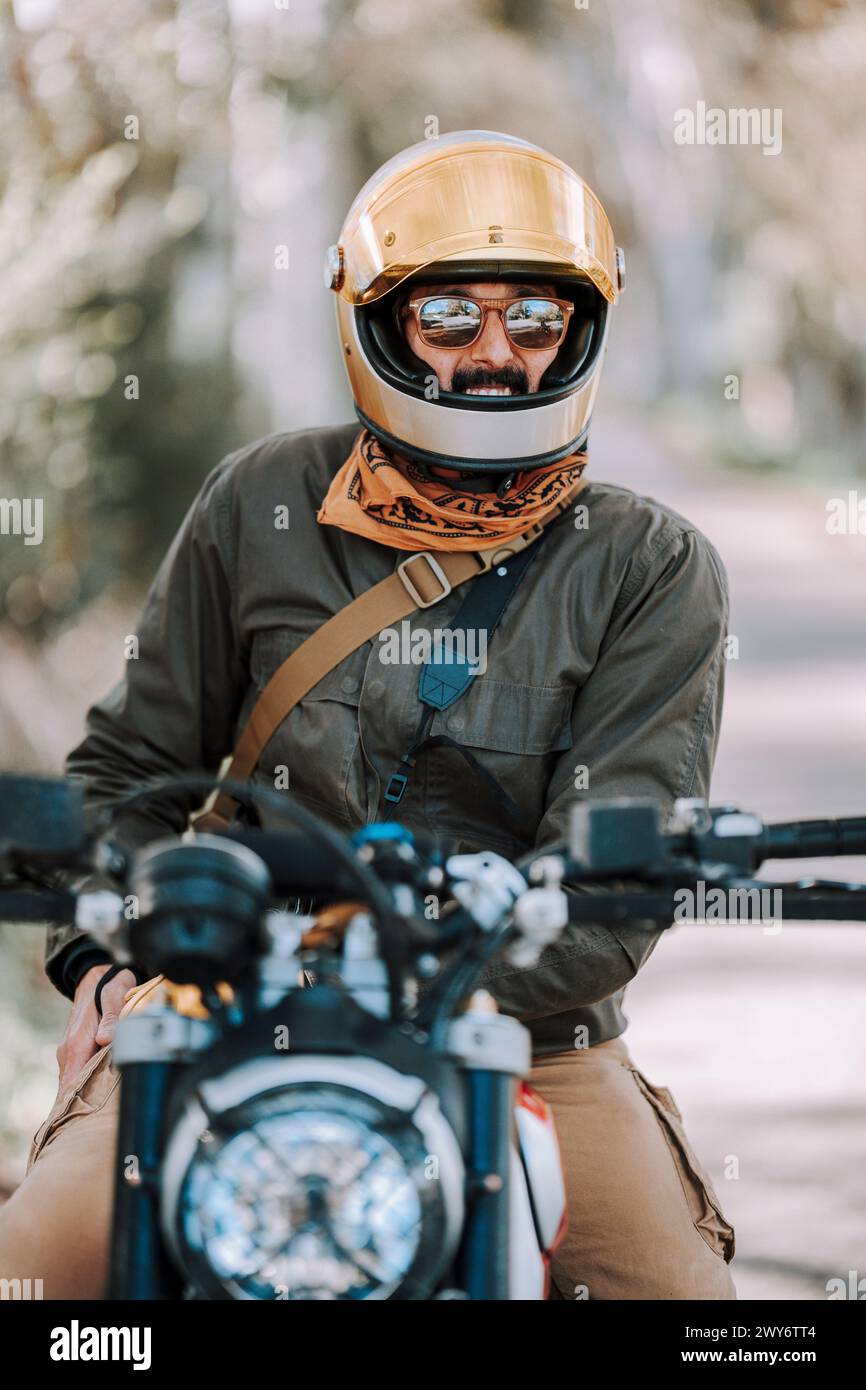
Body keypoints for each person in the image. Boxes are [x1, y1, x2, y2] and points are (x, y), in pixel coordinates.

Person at [0, 131, 736, 1300]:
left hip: (529, 1037)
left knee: (687, 1314)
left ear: (580, 330)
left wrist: (427, 958)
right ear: (380, 323)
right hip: (222, 1009)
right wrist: (103, 962)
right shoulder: (258, 500)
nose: (494, 352)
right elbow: (129, 766)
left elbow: (611, 879)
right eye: (449, 317)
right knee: (35, 1278)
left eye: (533, 319)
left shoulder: (649, 564)